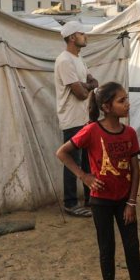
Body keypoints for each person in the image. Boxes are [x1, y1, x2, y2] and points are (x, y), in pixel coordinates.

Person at [55, 83, 140, 280]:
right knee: (106, 246)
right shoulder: (92, 131)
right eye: (121, 100)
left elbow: (136, 169)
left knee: (132, 245)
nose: (127, 104)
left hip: (124, 200)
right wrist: (84, 176)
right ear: (106, 107)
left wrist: (131, 202)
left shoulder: (130, 133)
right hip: (100, 201)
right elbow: (62, 152)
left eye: (126, 99)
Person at [55, 21, 99, 217]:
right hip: (71, 119)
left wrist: (85, 85)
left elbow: (93, 82)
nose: (85, 37)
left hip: (83, 118)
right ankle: (70, 202)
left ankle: (90, 198)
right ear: (72, 37)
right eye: (82, 34)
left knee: (88, 160)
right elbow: (81, 93)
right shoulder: (65, 61)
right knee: (72, 160)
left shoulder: (79, 59)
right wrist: (86, 86)